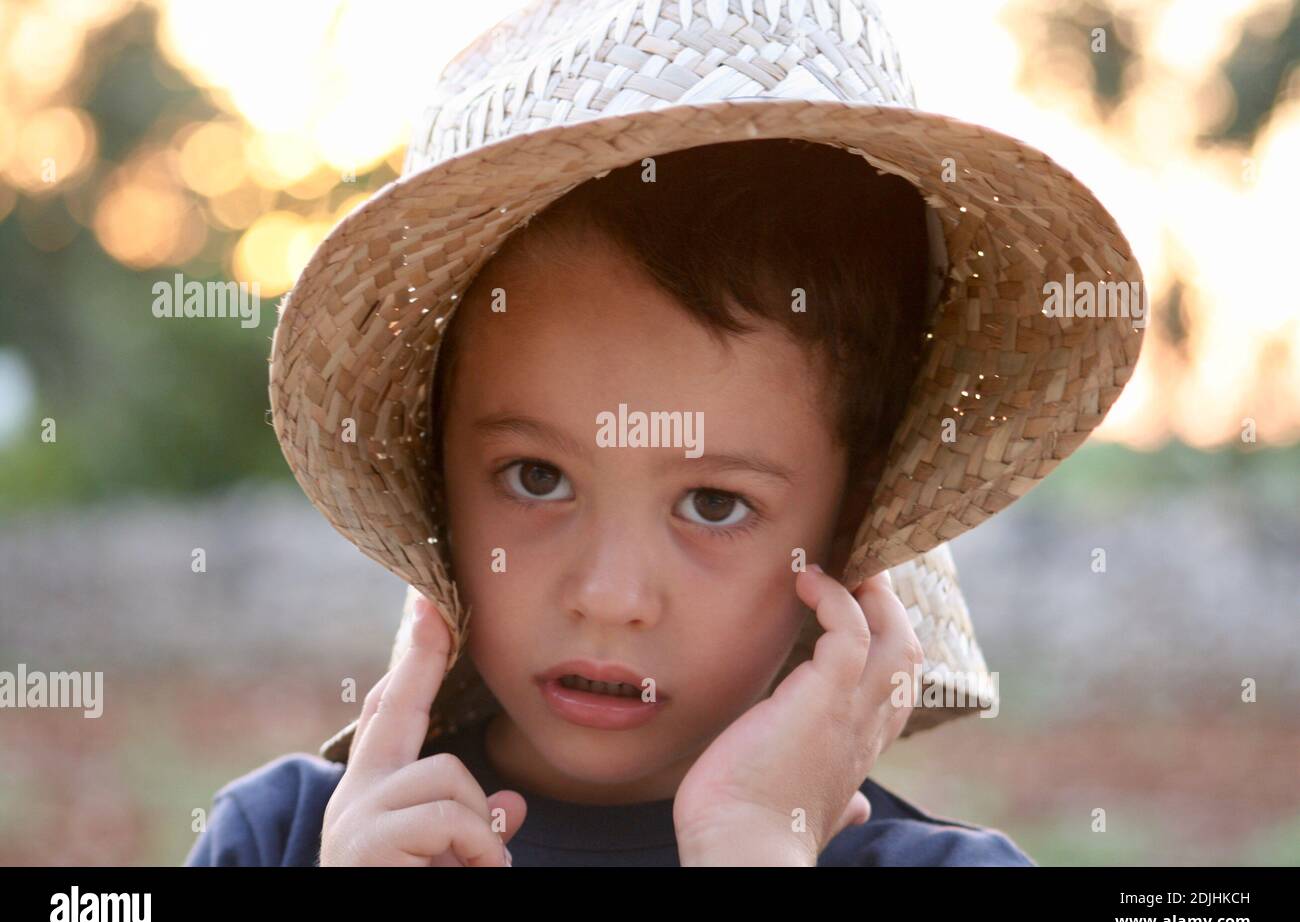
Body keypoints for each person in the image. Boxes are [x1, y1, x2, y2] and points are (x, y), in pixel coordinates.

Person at [189, 0, 1143, 867]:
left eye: (713, 502)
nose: (610, 597)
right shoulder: (281, 844)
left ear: (855, 527)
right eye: (533, 477)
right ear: (437, 478)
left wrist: (756, 849)